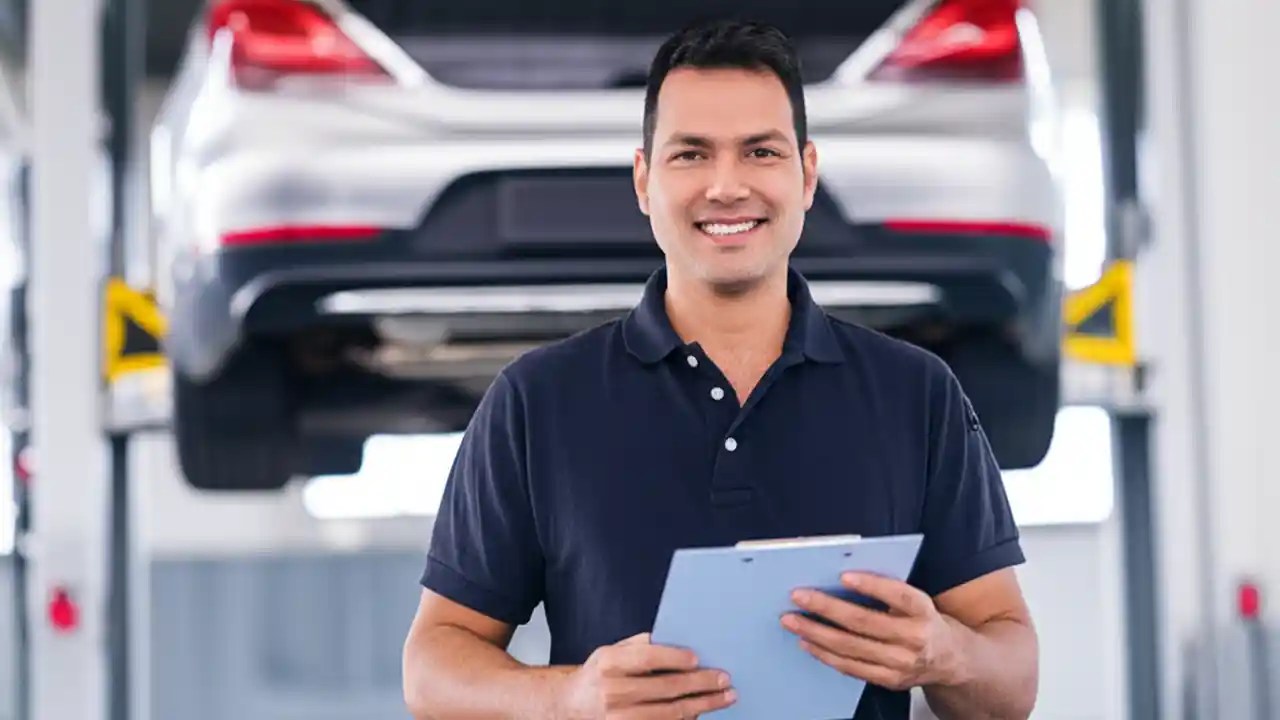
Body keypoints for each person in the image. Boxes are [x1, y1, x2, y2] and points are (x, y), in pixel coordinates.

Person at [402, 18, 1038, 720]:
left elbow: (1010, 682)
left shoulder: (916, 395)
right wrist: (567, 698)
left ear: (807, 174)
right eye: (691, 155)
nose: (727, 186)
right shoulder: (537, 401)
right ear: (644, 180)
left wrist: (945, 654)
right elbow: (433, 671)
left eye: (760, 152)